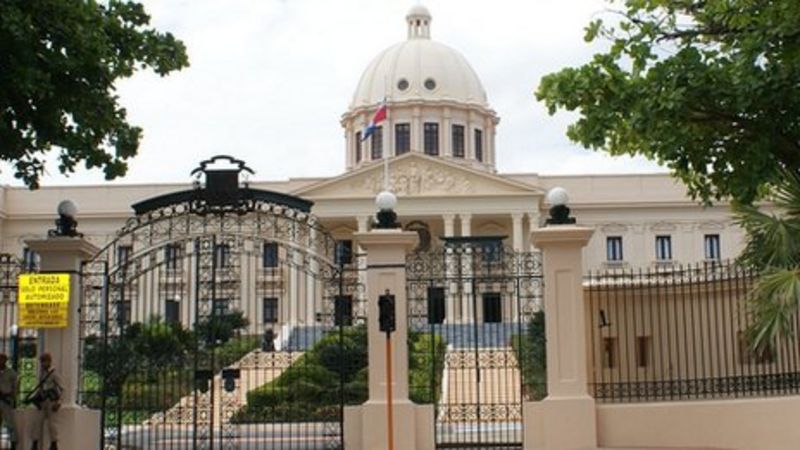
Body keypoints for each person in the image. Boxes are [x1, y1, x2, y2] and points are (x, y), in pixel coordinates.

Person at [30, 353, 61, 450]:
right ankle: (35, 443)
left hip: (51, 401)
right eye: (42, 361)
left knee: (52, 424)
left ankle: (54, 444)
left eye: (45, 361)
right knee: (37, 423)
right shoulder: (42, 374)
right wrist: (36, 399)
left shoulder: (54, 373)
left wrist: (58, 402)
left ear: (49, 362)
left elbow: (62, 389)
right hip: (43, 401)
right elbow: (40, 388)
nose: (43, 363)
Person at [0, 353, 18, 450]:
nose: (0, 362)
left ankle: (13, 443)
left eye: (2, 359)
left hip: (6, 401)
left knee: (10, 424)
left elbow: (15, 388)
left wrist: (12, 397)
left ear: (6, 361)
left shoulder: (11, 373)